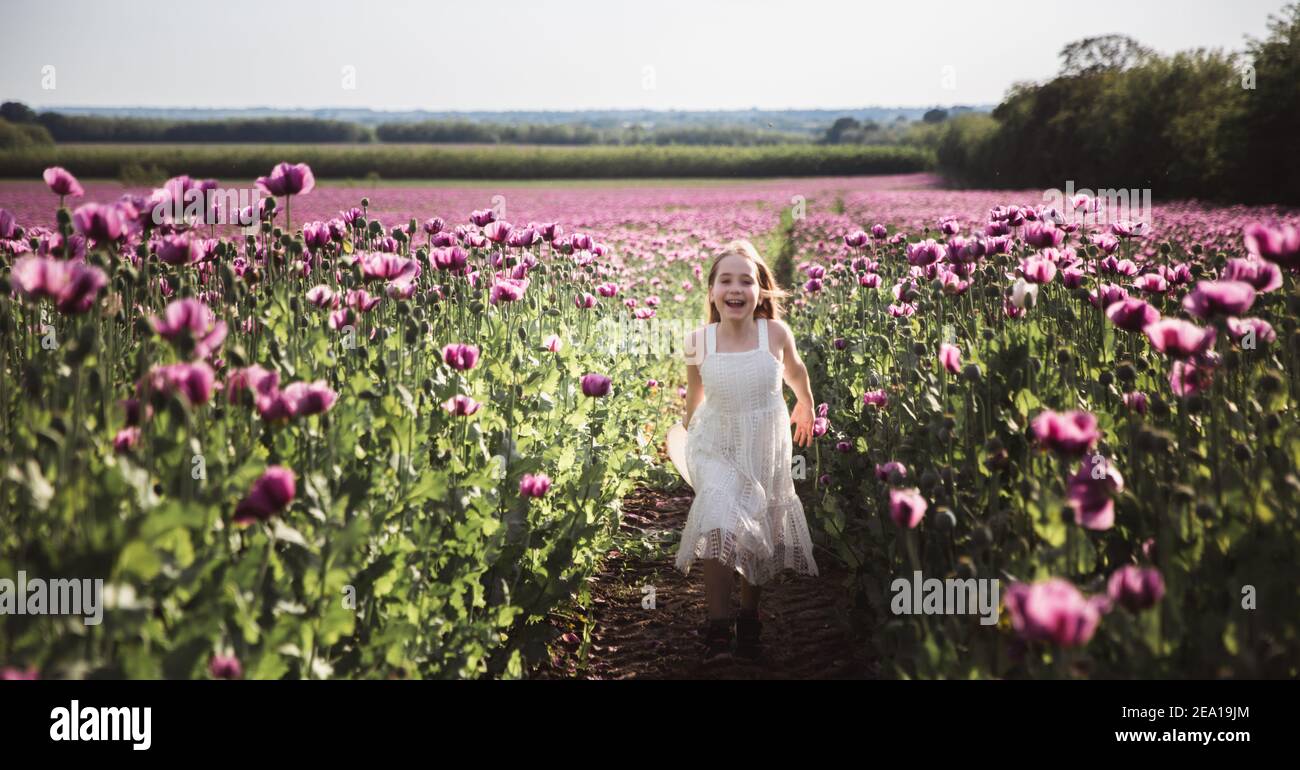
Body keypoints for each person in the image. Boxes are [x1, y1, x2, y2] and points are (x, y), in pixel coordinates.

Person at [677, 239, 819, 663]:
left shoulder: (774, 334)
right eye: (726, 280)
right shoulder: (698, 341)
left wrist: (805, 403)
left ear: (760, 292)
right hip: (715, 446)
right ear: (712, 292)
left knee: (758, 528)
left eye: (746, 280)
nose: (735, 288)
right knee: (720, 523)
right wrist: (688, 442)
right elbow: (693, 401)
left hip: (763, 446)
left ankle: (749, 616)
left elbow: (796, 373)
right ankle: (718, 629)